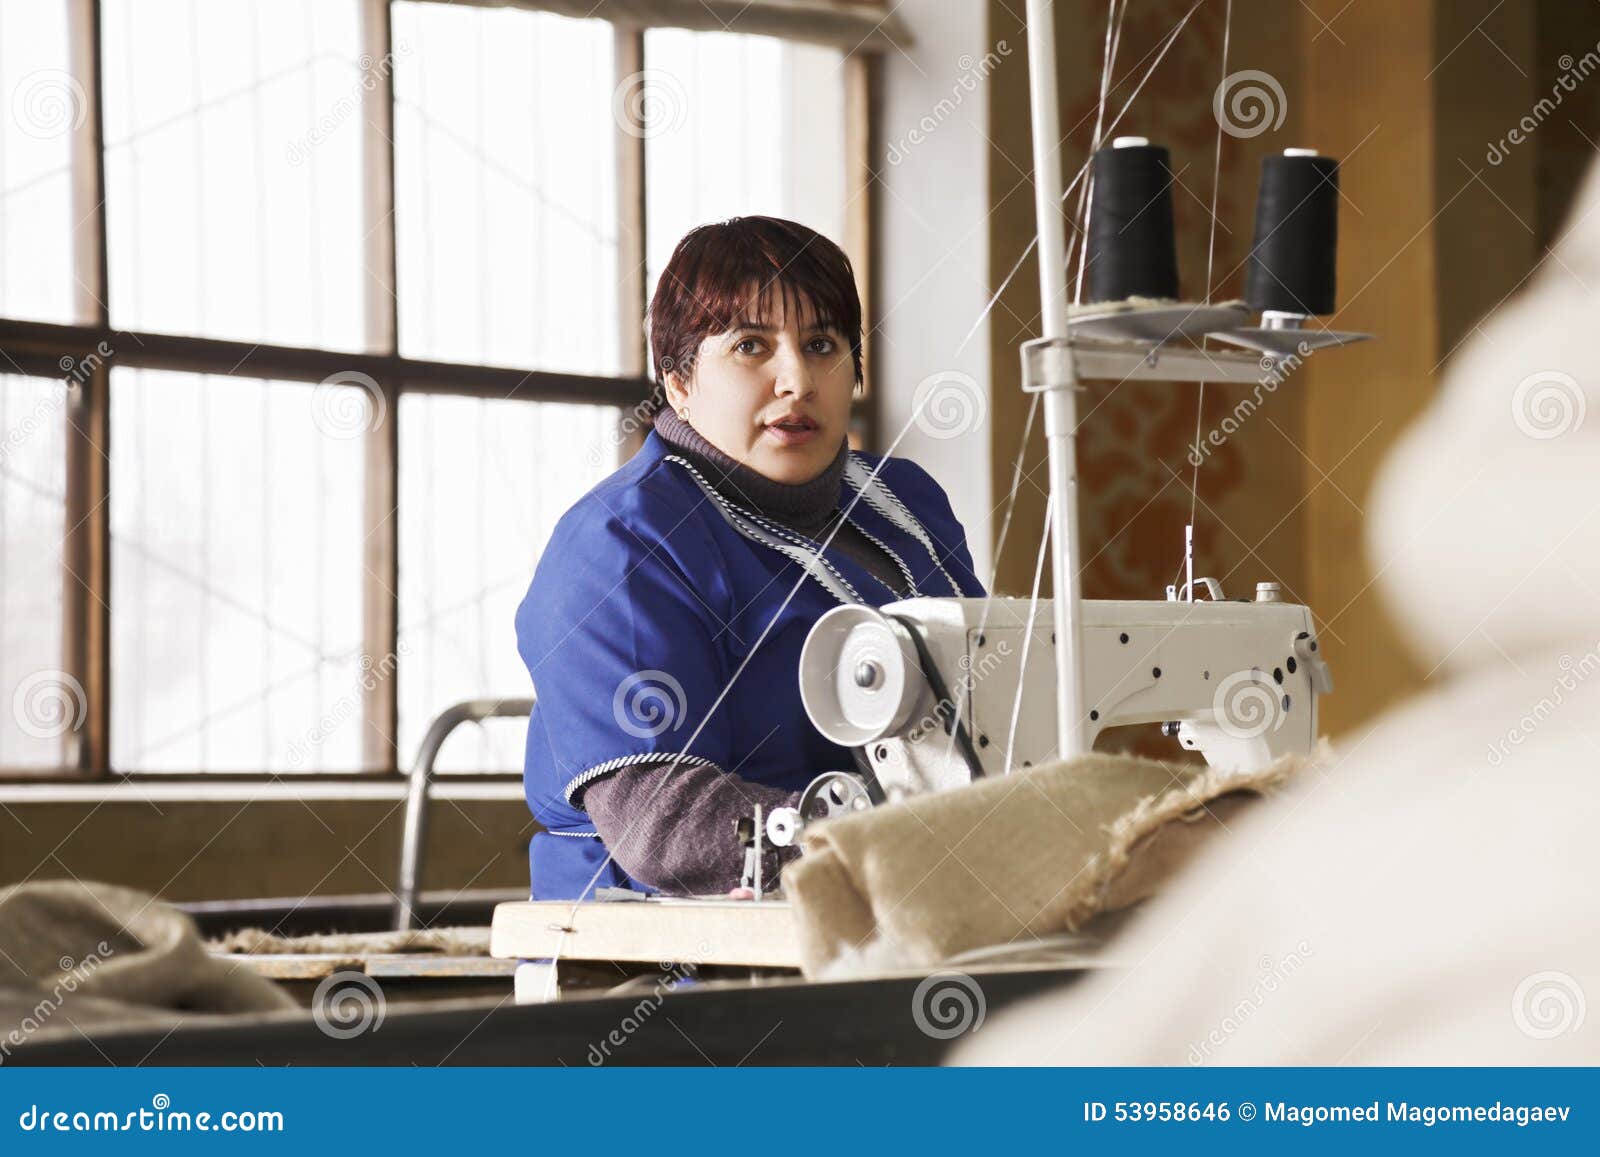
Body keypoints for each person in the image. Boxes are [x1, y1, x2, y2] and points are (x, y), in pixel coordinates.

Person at [515, 216, 985, 901]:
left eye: (822, 343)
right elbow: (667, 826)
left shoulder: (905, 502)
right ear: (677, 380)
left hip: (910, 897)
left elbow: (1007, 698)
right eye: (750, 346)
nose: (796, 379)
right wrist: (914, 840)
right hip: (672, 958)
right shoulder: (619, 544)